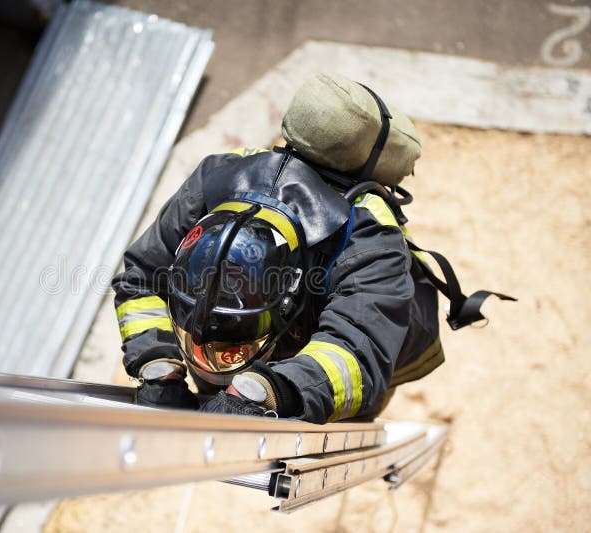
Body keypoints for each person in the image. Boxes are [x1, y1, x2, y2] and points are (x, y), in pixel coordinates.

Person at [111, 76, 505, 423]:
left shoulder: (366, 232)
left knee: (350, 401)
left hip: (311, 378)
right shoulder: (217, 179)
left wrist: (269, 392)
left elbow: (355, 354)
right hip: (255, 354)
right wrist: (157, 362)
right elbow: (142, 279)